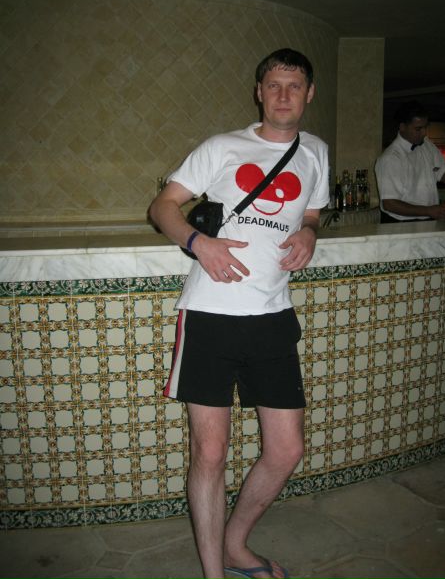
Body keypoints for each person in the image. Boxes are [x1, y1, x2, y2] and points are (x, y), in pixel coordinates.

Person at [148, 48, 329, 579]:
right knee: (210, 453)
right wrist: (198, 243)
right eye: (273, 85)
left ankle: (233, 543)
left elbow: (312, 211)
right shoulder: (222, 147)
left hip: (272, 315)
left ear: (309, 93)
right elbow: (162, 207)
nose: (283, 95)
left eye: (293, 86)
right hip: (209, 313)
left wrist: (310, 232)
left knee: (286, 449)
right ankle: (214, 573)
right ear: (258, 92)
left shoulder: (316, 151)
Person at [375, 100, 445, 223]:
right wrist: (429, 211)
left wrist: (430, 212)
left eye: (425, 127)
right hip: (401, 224)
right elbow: (389, 204)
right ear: (402, 127)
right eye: (418, 129)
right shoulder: (390, 158)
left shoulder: (427, 145)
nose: (424, 133)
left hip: (429, 220)